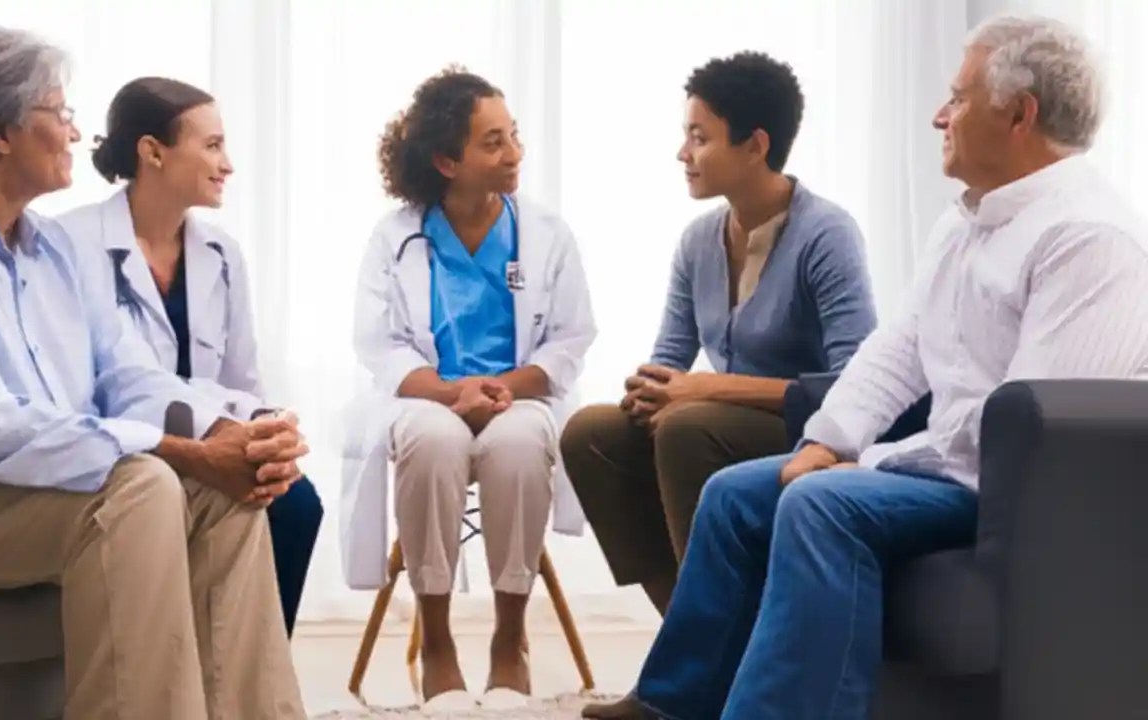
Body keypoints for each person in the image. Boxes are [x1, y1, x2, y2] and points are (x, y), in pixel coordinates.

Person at [603, 14, 1148, 720]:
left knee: (822, 502)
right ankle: (672, 703)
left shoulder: (1087, 237)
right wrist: (828, 439)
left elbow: (1028, 444)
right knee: (735, 496)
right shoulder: (967, 221)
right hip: (950, 468)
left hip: (1007, 496)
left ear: (1020, 113)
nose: (938, 115)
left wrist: (875, 463)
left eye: (957, 97)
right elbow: (897, 347)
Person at [0, 28, 307, 720]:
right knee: (140, 489)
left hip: (23, 483)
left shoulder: (52, 250)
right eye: (60, 113)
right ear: (0, 131)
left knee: (226, 494)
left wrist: (234, 433)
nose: (76, 132)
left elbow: (129, 376)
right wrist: (182, 452)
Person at [561, 52, 876, 620]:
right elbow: (670, 359)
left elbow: (855, 384)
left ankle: (709, 653)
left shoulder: (828, 235)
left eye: (699, 137)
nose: (684, 154)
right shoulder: (698, 241)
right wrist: (649, 388)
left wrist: (705, 390)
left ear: (755, 146)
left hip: (807, 431)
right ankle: (690, 636)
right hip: (705, 420)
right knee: (592, 432)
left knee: (686, 426)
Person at [342, 67, 596, 710]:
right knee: (430, 445)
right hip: (428, 401)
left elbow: (567, 341)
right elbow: (381, 345)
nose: (513, 153)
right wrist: (455, 396)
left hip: (519, 399)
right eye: (493, 142)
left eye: (512, 136)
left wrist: (500, 391)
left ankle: (510, 641)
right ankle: (436, 642)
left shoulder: (546, 234)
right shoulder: (394, 236)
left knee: (515, 448)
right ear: (446, 160)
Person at [56, 76, 323, 636]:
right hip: (129, 448)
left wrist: (265, 429)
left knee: (296, 503)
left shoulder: (223, 254)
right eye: (212, 145)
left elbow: (241, 379)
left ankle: (251, 682)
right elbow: (96, 384)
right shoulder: (67, 244)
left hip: (217, 435)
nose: (227, 164)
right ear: (152, 151)